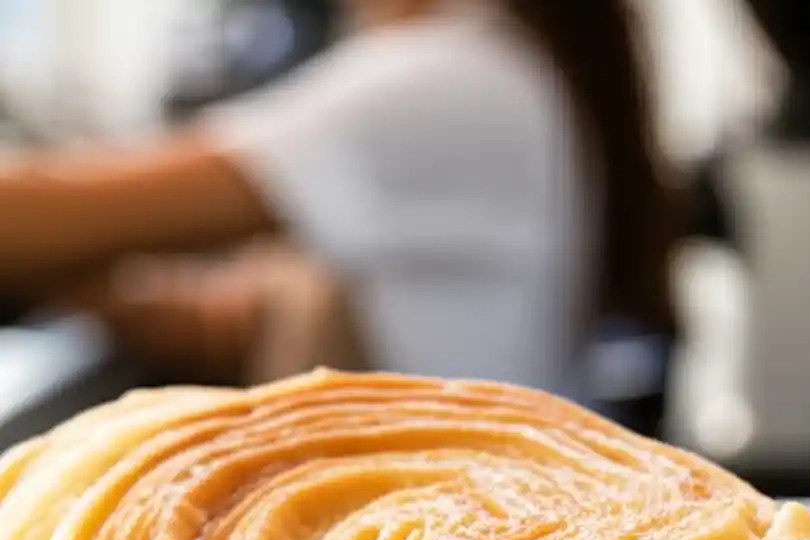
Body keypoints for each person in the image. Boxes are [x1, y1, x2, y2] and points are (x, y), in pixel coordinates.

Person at [0, 0, 675, 412]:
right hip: (471, 530)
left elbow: (36, 216)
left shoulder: (437, 80)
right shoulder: (501, 59)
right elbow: (223, 317)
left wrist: (60, 246)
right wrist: (76, 272)